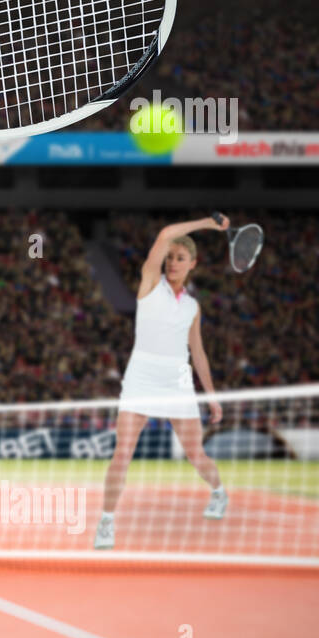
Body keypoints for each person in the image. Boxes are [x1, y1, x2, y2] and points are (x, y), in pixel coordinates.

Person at [94, 215, 229, 550]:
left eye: (180, 258)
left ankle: (219, 493)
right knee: (122, 453)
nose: (173, 263)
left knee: (195, 454)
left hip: (178, 385)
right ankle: (106, 522)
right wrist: (211, 224)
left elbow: (198, 353)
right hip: (141, 380)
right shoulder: (150, 284)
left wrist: (212, 397)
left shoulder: (193, 308)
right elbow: (167, 233)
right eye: (170, 257)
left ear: (192, 264)